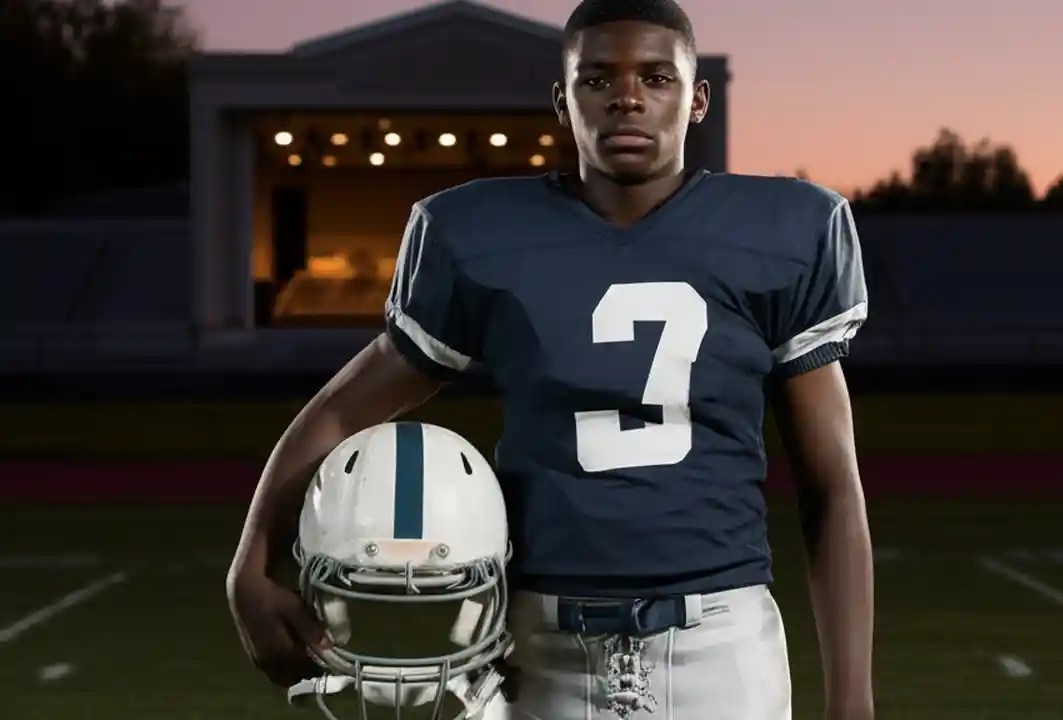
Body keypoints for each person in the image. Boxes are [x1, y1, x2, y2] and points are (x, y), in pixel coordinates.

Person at [226, 0, 875, 718]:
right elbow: (346, 408)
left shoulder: (784, 232)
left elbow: (830, 486)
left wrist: (852, 696)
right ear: (562, 101)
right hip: (540, 651)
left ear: (696, 100)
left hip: (722, 652)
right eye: (598, 79)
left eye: (656, 77)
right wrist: (251, 563)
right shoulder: (478, 234)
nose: (627, 96)